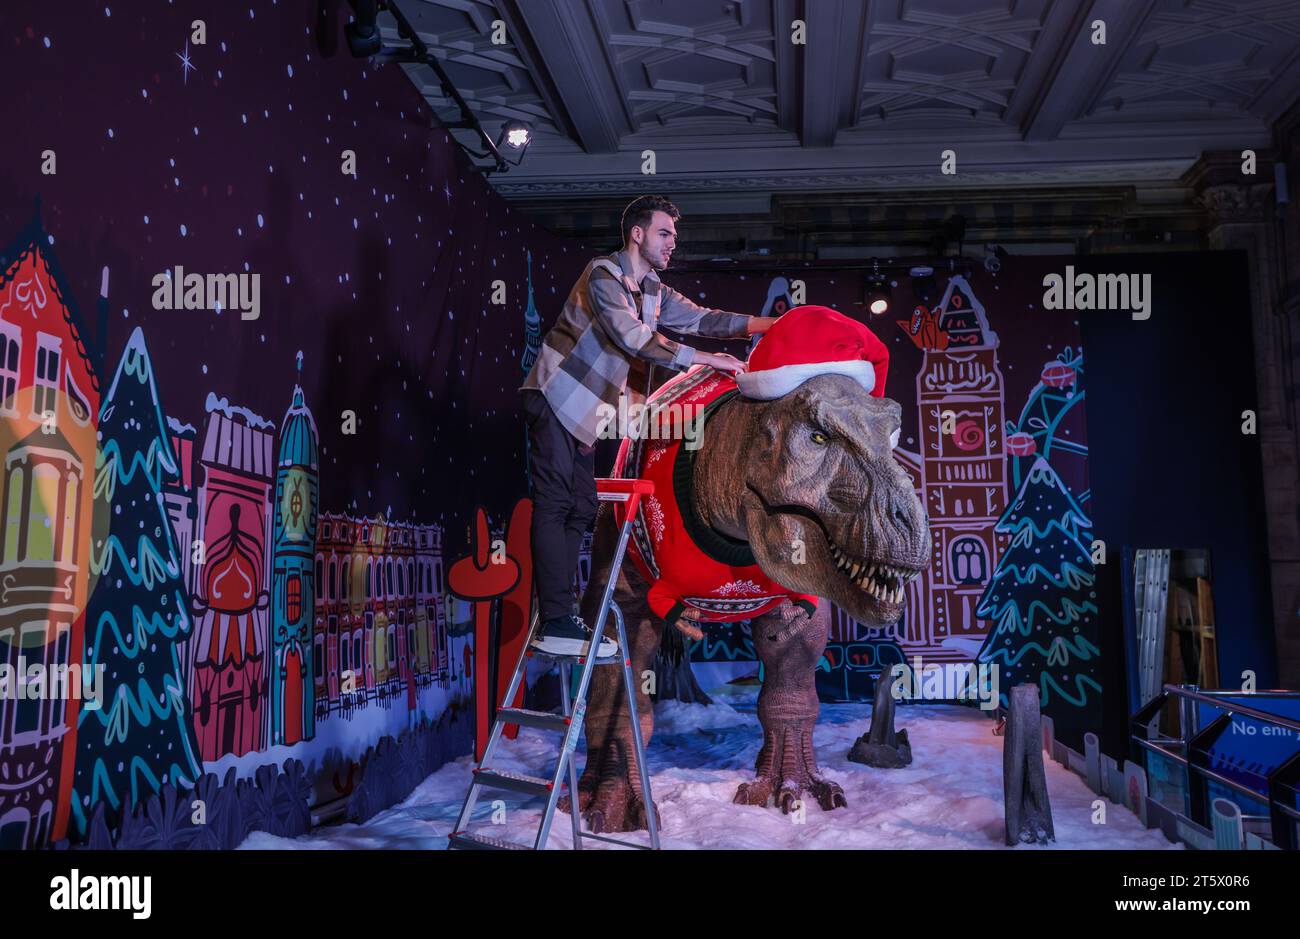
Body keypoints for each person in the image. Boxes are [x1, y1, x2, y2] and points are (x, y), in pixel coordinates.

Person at [520, 195, 776, 656]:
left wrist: (770, 325)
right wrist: (703, 358)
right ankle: (556, 621)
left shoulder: (654, 290)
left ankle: (560, 617)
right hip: (557, 397)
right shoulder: (604, 274)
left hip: (586, 414)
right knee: (557, 503)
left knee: (580, 508)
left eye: (674, 236)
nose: (672, 243)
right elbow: (633, 338)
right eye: (664, 233)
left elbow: (704, 318)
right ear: (637, 234)